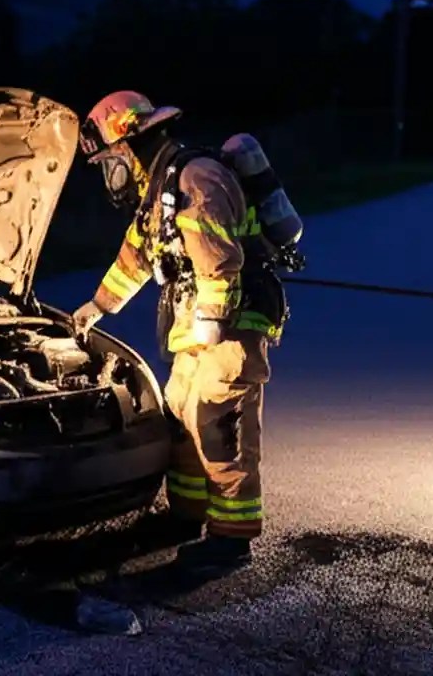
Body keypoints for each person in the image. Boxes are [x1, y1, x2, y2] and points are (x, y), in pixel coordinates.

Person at [71, 90, 305, 571]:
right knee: (179, 412)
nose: (106, 172)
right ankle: (186, 517)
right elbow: (135, 257)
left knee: (217, 421)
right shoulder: (159, 189)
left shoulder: (196, 177)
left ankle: (231, 537)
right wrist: (97, 305)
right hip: (200, 326)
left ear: (127, 144)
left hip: (234, 324)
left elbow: (219, 261)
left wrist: (214, 325)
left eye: (107, 160)